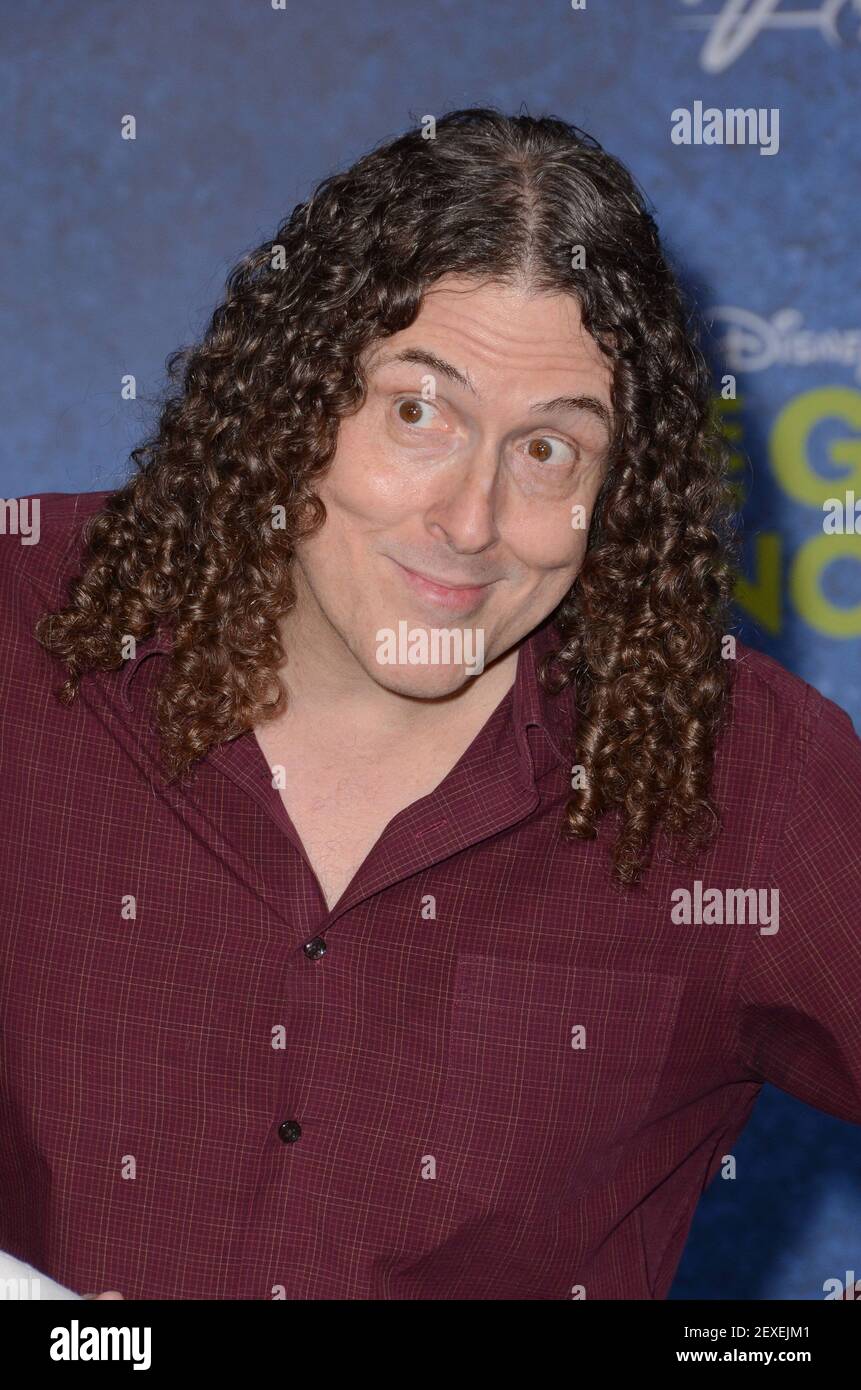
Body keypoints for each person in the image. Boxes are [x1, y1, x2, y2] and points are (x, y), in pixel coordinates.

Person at [1, 108, 858, 1302]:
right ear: (292, 396)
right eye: (419, 412)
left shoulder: (740, 778)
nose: (469, 520)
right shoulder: (32, 625)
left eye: (550, 451)